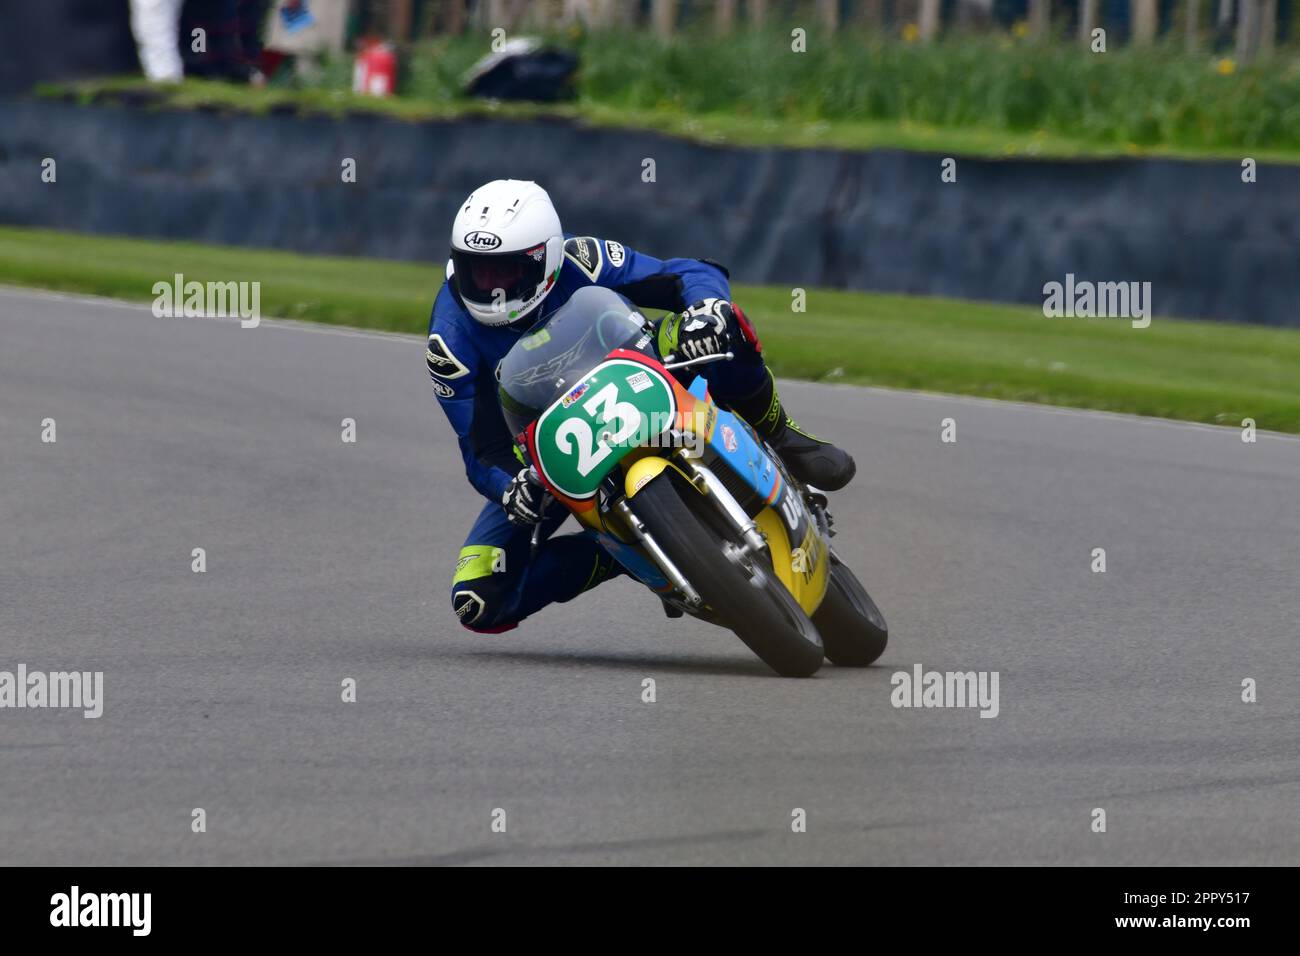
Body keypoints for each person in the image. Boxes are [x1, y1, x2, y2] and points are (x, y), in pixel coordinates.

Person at [429, 179, 855, 632]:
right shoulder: (449, 343)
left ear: (545, 258)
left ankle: (782, 435)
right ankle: (623, 554)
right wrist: (512, 487)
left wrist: (707, 308)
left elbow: (685, 273)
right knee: (478, 597)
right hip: (554, 454)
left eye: (507, 272)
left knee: (717, 327)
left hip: (643, 375)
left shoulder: (583, 260)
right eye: (478, 270)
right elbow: (480, 450)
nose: (491, 288)